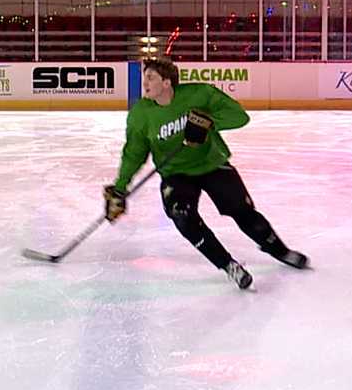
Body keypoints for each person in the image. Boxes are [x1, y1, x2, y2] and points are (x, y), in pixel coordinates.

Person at [104, 57, 308, 289]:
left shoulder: (199, 94)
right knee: (182, 217)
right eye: (144, 78)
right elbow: (134, 153)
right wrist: (121, 186)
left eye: (150, 77)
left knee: (243, 211)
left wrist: (209, 123)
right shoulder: (141, 114)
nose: (145, 83)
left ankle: (280, 251)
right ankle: (228, 265)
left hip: (212, 164)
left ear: (167, 82)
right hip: (176, 174)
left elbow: (240, 116)